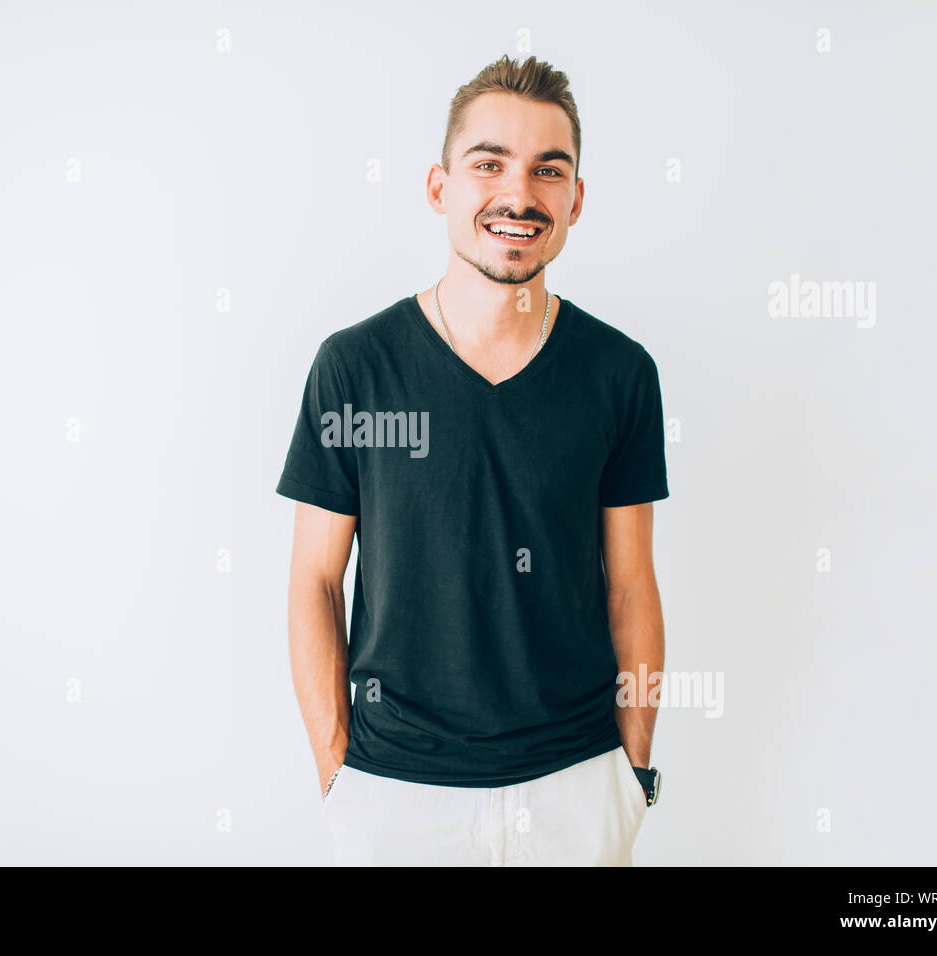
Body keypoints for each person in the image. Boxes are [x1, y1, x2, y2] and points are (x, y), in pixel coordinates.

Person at [276, 54, 668, 866]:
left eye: (547, 171)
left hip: (576, 786)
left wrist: (632, 770)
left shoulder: (619, 373)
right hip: (395, 795)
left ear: (575, 199)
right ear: (439, 187)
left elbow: (631, 585)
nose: (518, 195)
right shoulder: (356, 368)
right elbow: (314, 580)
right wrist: (339, 775)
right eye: (488, 164)